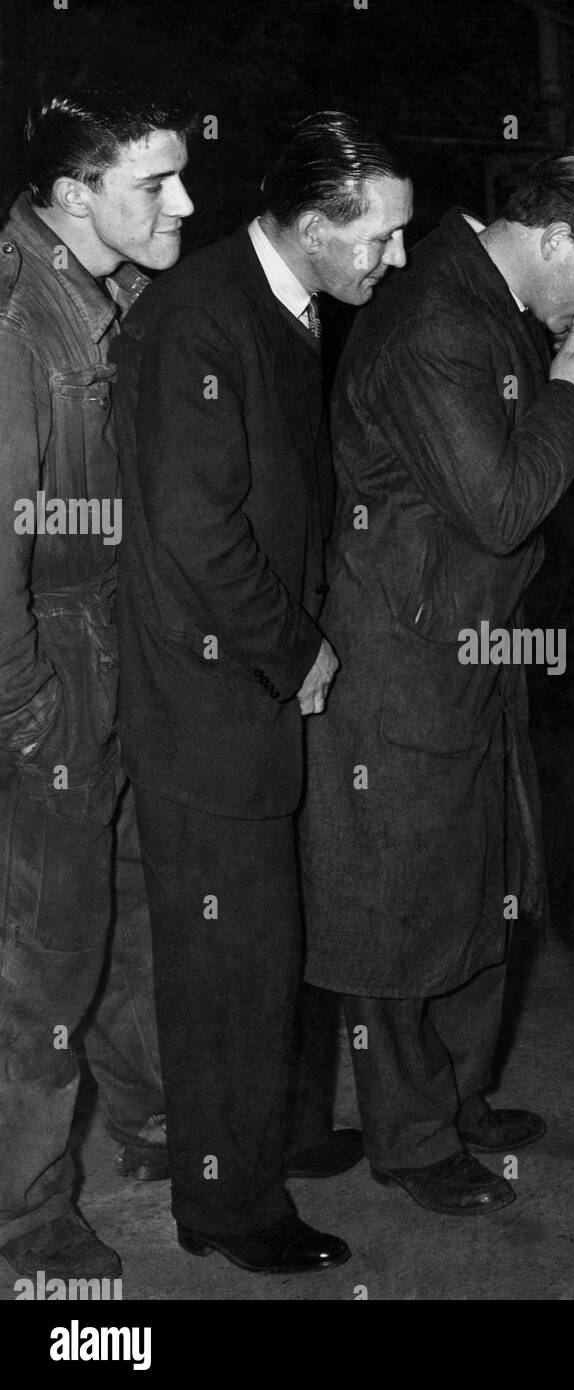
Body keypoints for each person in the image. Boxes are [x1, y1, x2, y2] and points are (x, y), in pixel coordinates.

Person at [299, 144, 574, 1215]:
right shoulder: (436, 324)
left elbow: (567, 344)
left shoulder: (491, 292)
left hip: (470, 644)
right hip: (406, 661)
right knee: (403, 904)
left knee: (487, 882)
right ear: (549, 237)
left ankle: (458, 1098)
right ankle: (412, 1139)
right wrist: (571, 399)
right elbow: (500, 503)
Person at [110, 112, 412, 1275]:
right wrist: (300, 651)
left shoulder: (280, 304)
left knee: (266, 942)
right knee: (226, 966)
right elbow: (196, 532)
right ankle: (227, 1204)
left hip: (246, 691)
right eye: (377, 237)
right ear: (311, 223)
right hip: (210, 699)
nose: (390, 257)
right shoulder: (204, 314)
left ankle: (270, 1135)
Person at [0, 90, 196, 1281]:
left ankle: (155, 1120)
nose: (184, 201)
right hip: (48, 655)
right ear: (77, 197)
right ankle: (26, 1216)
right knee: (45, 952)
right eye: (154, 185)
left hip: (116, 643)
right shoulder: (18, 321)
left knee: (127, 902)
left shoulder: (113, 291)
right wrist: (25, 708)